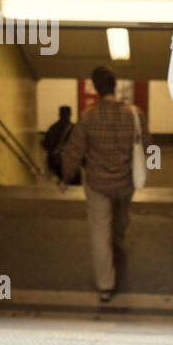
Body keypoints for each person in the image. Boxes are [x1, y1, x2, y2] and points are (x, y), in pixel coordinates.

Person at [61, 67, 152, 302]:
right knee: (121, 218)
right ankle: (119, 241)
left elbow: (74, 150)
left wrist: (65, 176)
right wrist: (147, 169)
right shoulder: (135, 114)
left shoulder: (88, 116)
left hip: (97, 184)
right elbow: (148, 146)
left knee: (99, 233)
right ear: (114, 85)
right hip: (125, 182)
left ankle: (105, 286)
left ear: (95, 87)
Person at [41, 105, 77, 183]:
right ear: (70, 114)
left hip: (55, 162)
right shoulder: (74, 129)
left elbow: (46, 145)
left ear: (59, 114)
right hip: (70, 162)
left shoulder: (53, 128)